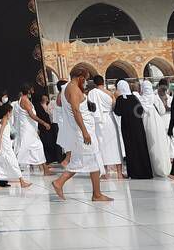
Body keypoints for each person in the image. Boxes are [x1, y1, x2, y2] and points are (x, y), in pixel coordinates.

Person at [52, 67, 110, 201]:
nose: (85, 82)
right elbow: (76, 111)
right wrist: (84, 132)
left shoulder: (70, 87)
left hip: (84, 129)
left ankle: (97, 194)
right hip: (82, 131)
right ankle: (59, 182)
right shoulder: (72, 88)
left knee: (92, 160)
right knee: (83, 161)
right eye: (85, 79)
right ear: (80, 77)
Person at [113, 80, 152, 179]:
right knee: (141, 147)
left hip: (127, 127)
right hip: (138, 126)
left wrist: (116, 98)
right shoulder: (134, 98)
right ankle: (145, 172)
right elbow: (140, 110)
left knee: (131, 148)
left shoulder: (121, 99)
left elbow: (118, 112)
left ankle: (134, 172)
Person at [87, 76, 123, 178]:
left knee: (102, 145)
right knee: (115, 145)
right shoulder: (110, 93)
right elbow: (114, 105)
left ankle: (105, 172)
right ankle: (119, 173)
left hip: (99, 122)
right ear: (103, 82)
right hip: (111, 119)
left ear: (94, 83)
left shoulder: (92, 93)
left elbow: (91, 107)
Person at [138, 80, 172, 178]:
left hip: (145, 123)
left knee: (148, 145)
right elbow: (162, 111)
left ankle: (151, 168)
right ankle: (162, 168)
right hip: (157, 123)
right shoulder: (155, 98)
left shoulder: (140, 99)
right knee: (159, 144)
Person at [0, 104, 31, 188]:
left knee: (0, 163)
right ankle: (22, 181)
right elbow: (0, 133)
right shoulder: (4, 120)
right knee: (13, 162)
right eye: (11, 112)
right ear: (7, 112)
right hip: (4, 146)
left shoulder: (1, 120)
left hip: (4, 145)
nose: (11, 114)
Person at [13, 84, 49, 176]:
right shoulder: (25, 100)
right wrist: (44, 123)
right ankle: (14, 168)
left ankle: (45, 169)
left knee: (36, 147)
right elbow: (32, 115)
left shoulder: (22, 99)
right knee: (27, 148)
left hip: (29, 128)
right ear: (28, 90)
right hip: (27, 129)